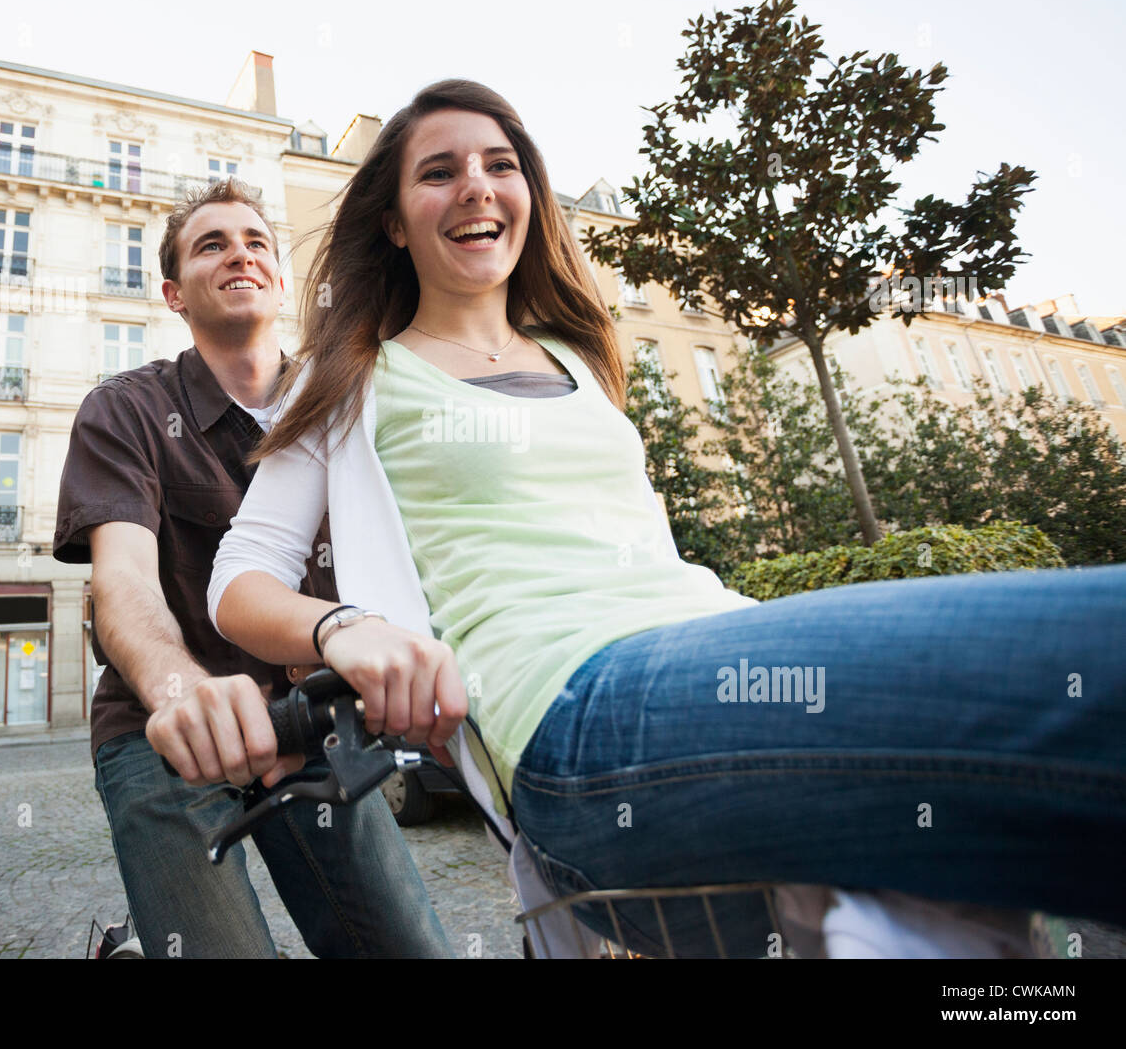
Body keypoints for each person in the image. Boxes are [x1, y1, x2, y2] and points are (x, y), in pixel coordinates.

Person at [206, 82, 1126, 956]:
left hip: (710, 640)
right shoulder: (358, 376)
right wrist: (347, 628)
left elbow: (649, 550)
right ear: (392, 221)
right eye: (438, 172)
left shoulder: (578, 357)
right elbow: (239, 581)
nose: (476, 186)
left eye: (501, 163)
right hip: (569, 708)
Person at [53, 178, 451, 958]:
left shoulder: (347, 404)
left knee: (408, 947)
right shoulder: (126, 410)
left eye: (256, 241)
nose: (240, 251)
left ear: (276, 277)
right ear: (173, 292)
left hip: (313, 727)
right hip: (164, 729)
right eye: (212, 243)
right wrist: (183, 692)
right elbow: (122, 583)